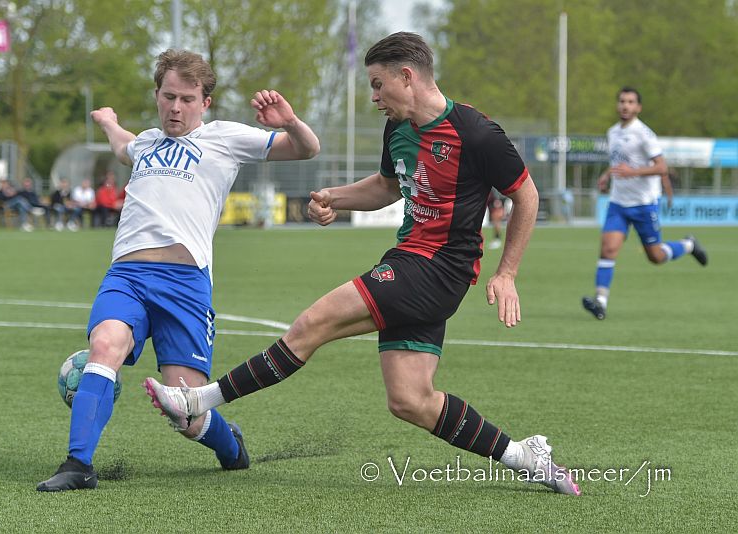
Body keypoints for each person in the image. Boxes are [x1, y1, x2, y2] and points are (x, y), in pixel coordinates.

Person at [146, 33, 580, 496]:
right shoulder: (398, 128)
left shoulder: (475, 132)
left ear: (406, 77)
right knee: (410, 400)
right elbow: (387, 188)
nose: (374, 97)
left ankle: (197, 400)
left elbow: (526, 194)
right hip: (411, 261)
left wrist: (507, 272)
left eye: (377, 85)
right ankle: (523, 455)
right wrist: (335, 197)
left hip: (436, 269)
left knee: (313, 323)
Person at [36, 49, 319, 492]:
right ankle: (78, 465)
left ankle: (232, 449)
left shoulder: (225, 138)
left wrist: (289, 122)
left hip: (185, 286)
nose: (176, 107)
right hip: (126, 277)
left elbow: (306, 149)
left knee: (184, 410)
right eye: (168, 96)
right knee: (105, 344)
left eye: (187, 99)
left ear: (205, 103)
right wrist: (108, 120)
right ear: (157, 94)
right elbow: (120, 144)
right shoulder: (146, 142)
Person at [582, 87, 707, 320]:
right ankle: (600, 301)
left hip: (643, 204)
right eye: (621, 101)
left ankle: (689, 245)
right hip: (618, 203)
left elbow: (662, 167)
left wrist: (633, 173)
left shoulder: (644, 134)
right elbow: (619, 160)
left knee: (656, 256)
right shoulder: (613, 132)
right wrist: (607, 174)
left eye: (630, 102)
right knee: (608, 249)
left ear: (638, 107)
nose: (625, 106)